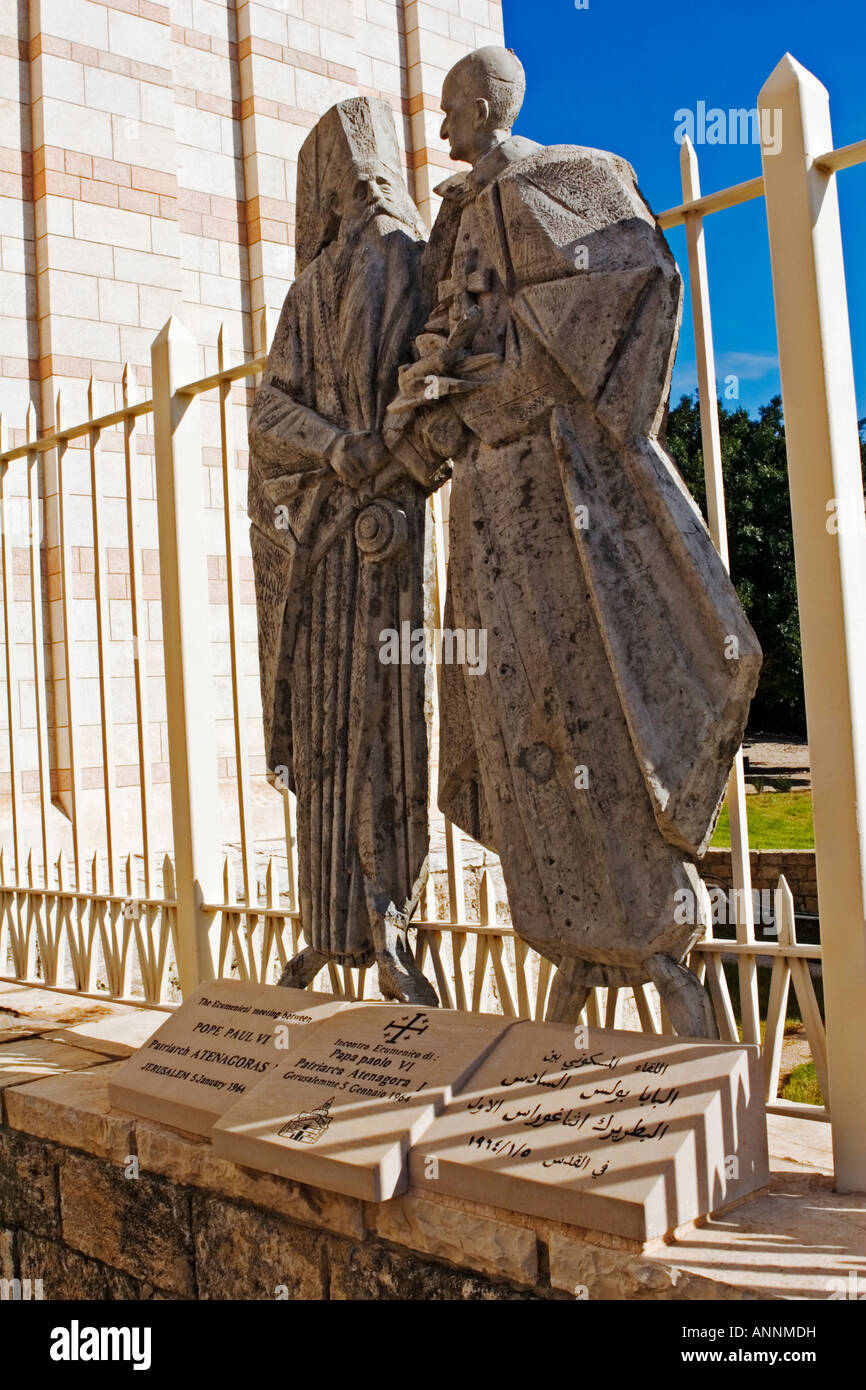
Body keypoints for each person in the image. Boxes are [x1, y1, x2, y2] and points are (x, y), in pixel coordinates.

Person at [390, 48, 761, 1035]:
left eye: (446, 113)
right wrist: (434, 385)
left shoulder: (575, 178)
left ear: (479, 106)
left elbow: (629, 285)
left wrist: (506, 356)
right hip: (486, 506)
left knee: (600, 701)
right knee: (522, 726)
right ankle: (567, 943)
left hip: (563, 493)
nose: (438, 133)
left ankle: (650, 944)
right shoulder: (454, 219)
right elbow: (433, 348)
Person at [249, 97, 447, 1004]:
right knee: (330, 728)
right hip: (330, 539)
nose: (363, 190)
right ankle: (328, 931)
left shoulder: (408, 258)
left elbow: (437, 372)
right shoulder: (309, 288)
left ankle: (389, 920)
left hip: (385, 533)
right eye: (354, 176)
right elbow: (268, 412)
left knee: (387, 726)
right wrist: (338, 445)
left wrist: (393, 451)